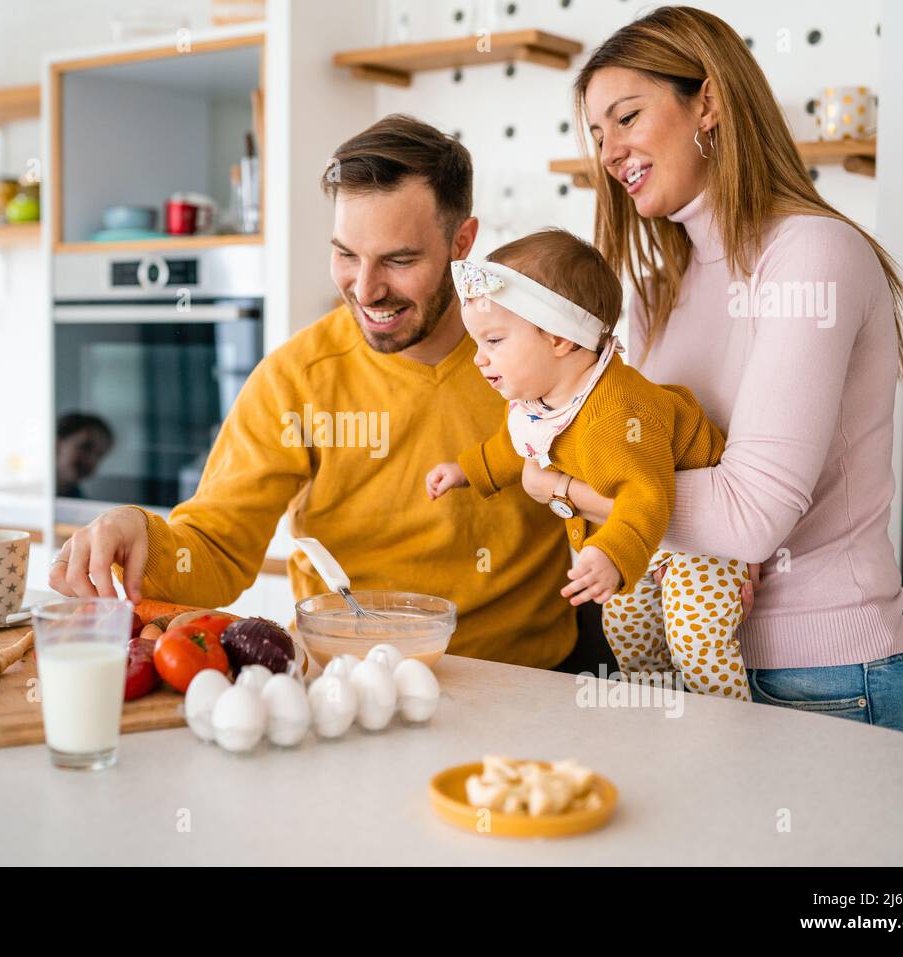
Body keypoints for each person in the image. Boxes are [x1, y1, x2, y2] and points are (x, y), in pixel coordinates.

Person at [526, 6, 903, 737]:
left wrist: (561, 485)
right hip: (693, 670)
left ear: (708, 102)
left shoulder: (812, 255)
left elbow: (748, 517)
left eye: (626, 117)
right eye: (596, 135)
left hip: (825, 681)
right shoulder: (659, 290)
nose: (610, 150)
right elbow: (643, 466)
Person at [50, 115, 579, 669]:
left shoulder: (547, 352)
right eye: (347, 255)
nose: (366, 288)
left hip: (529, 682)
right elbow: (217, 547)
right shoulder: (298, 377)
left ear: (462, 243)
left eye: (399, 261)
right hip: (349, 683)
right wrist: (144, 534)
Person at [427, 229, 751, 698]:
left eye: (494, 340)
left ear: (559, 338)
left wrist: (610, 555)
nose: (479, 359)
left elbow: (647, 494)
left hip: (696, 545)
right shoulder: (538, 399)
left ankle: (728, 726)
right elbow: (513, 445)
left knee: (696, 640)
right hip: (633, 536)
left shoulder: (616, 413)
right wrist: (466, 471)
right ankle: (661, 710)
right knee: (624, 628)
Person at [55, 412, 114, 499]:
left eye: (99, 455)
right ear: (57, 443)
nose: (91, 460)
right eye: (85, 447)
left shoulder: (80, 502)